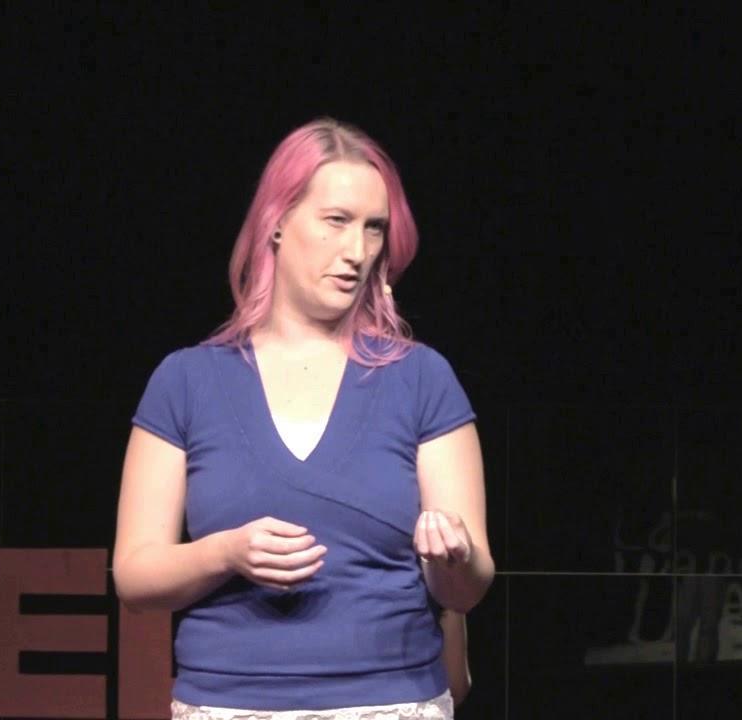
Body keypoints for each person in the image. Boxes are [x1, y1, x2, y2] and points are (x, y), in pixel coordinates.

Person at [113, 117, 492, 719]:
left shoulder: (420, 378)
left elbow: (468, 587)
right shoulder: (187, 381)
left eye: (374, 228)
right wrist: (225, 553)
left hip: (392, 702)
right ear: (277, 222)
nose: (358, 251)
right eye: (336, 220)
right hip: (230, 705)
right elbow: (134, 575)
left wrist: (454, 556)